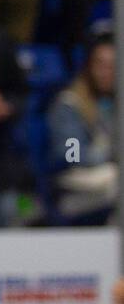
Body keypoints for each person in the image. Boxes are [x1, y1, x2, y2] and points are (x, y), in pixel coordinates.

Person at [47, 33, 116, 224]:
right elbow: (72, 156)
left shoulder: (115, 104)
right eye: (100, 65)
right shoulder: (69, 105)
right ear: (88, 66)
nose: (105, 72)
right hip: (74, 190)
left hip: (107, 183)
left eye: (112, 67)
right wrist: (111, 156)